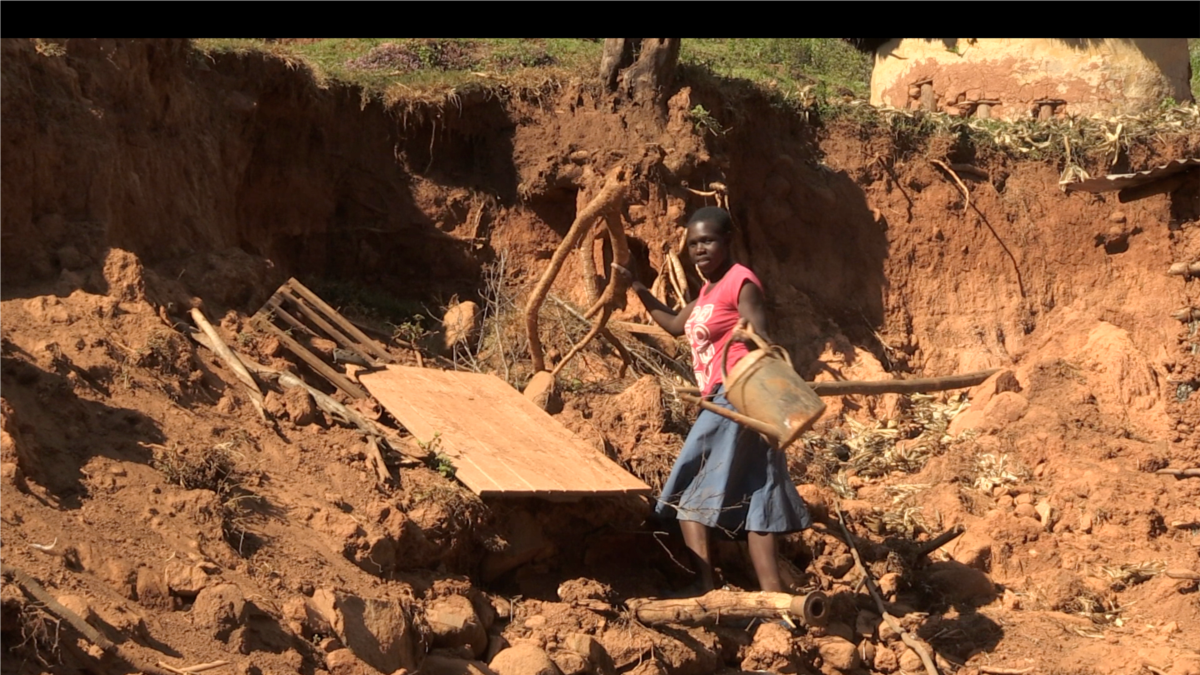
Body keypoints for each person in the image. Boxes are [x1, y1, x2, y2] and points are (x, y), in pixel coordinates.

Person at [621, 206, 812, 595]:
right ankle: (775, 602)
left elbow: (759, 332)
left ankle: (704, 584)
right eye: (693, 243)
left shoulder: (741, 281)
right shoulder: (708, 292)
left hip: (737, 394)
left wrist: (749, 335)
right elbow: (674, 325)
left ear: (727, 240)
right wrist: (638, 286)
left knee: (691, 479)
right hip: (732, 398)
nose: (699, 249)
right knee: (758, 495)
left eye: (707, 240)